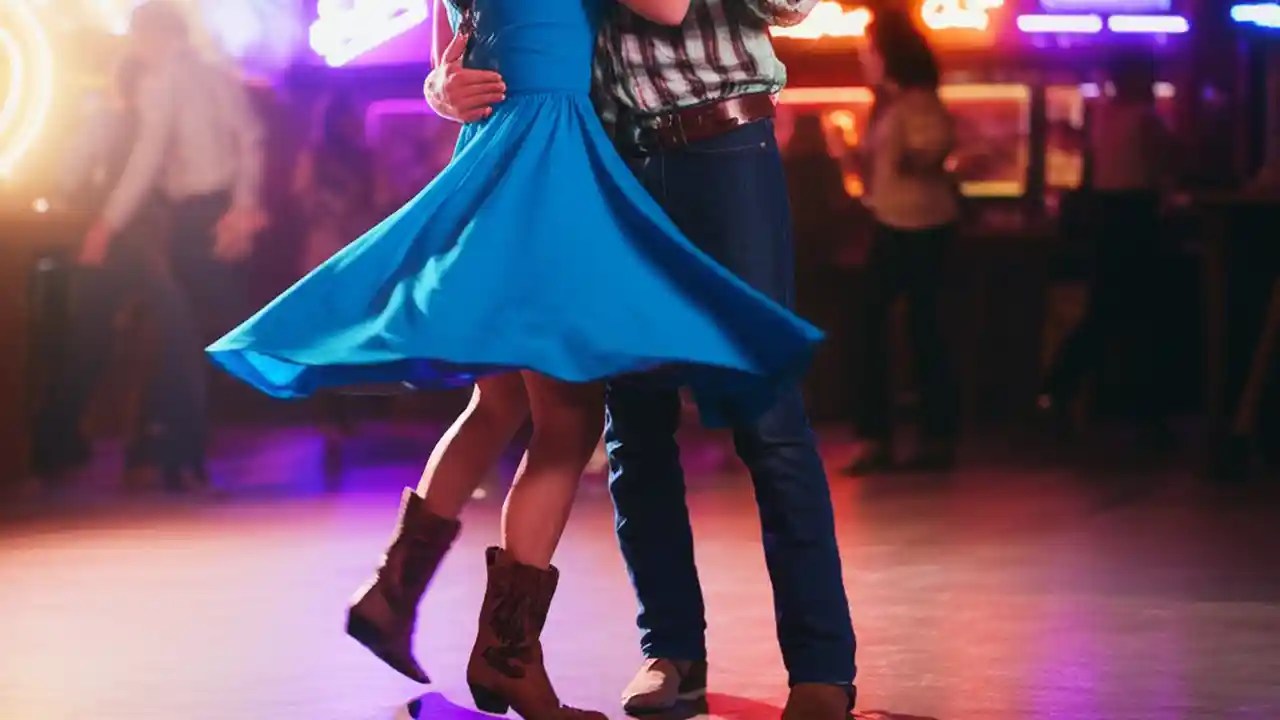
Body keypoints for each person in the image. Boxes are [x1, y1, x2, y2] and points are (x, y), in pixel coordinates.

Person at [206, 1, 823, 718]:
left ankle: (392, 593)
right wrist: (443, 86)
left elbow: (451, 48)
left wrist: (442, 85)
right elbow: (660, 8)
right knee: (569, 421)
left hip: (498, 150)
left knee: (498, 402)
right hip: (545, 158)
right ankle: (504, 658)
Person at [426, 1, 858, 717]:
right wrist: (442, 85)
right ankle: (671, 651)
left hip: (723, 142)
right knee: (633, 417)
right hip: (606, 156)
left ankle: (821, 668)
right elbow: (483, 23)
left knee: (767, 414)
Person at [77, 0, 266, 490]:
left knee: (185, 335)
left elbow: (147, 158)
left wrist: (106, 224)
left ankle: (177, 450)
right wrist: (242, 207)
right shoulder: (216, 74)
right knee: (199, 332)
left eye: (138, 37)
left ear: (156, 36)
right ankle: (180, 451)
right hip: (217, 212)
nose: (135, 48)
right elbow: (249, 139)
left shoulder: (160, 81)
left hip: (192, 219)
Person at [846, 9, 961, 475]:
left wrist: (909, 160)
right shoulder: (892, 104)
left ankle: (897, 437)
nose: (864, 59)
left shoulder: (915, 102)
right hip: (896, 222)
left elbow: (935, 149)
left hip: (918, 226)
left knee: (912, 326)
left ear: (887, 54)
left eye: (869, 51)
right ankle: (915, 435)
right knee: (907, 325)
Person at [1038, 51, 1174, 441]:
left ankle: (1057, 388)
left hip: (1107, 219)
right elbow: (1167, 163)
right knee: (1146, 317)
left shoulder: (1102, 117)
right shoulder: (1145, 120)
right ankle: (1146, 413)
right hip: (1137, 217)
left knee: (1102, 311)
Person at [292, 93, 379, 450]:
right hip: (327, 252)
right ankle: (330, 413)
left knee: (341, 338)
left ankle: (340, 413)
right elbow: (302, 199)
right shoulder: (317, 157)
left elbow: (378, 201)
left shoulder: (364, 160)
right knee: (328, 338)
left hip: (348, 251)